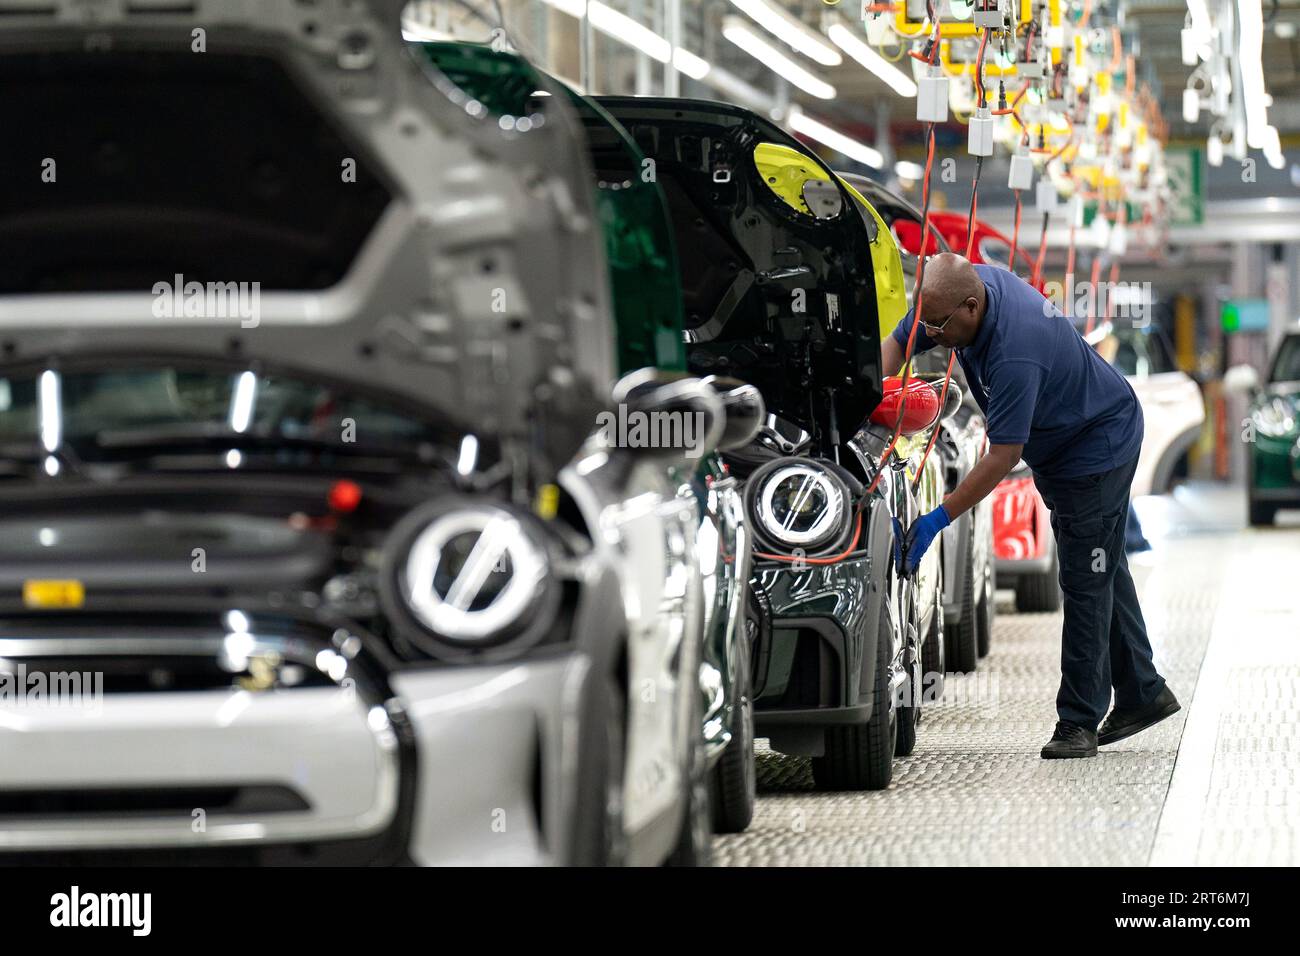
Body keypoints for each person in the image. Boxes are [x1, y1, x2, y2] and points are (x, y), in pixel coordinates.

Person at [886, 253, 1179, 758]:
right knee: (1102, 565)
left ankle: (1078, 723)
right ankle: (1143, 692)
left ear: (972, 307)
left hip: (1096, 445)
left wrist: (939, 517)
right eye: (926, 321)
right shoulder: (948, 293)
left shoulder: (1015, 350)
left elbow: (1003, 455)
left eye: (939, 326)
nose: (930, 334)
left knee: (1084, 579)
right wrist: (871, 400)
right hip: (1066, 440)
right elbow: (897, 345)